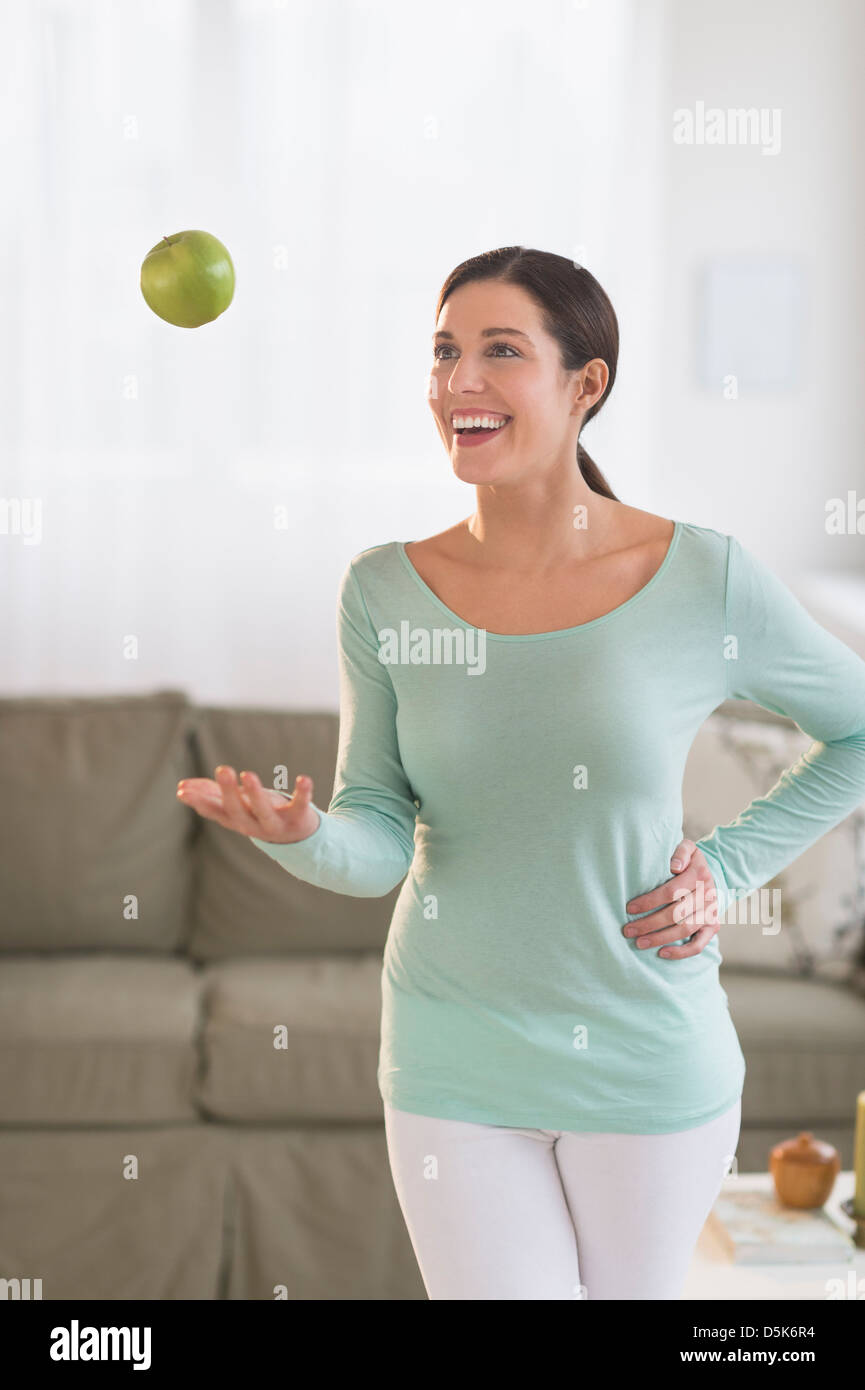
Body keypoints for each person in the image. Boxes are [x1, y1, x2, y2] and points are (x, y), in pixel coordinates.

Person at [177, 246, 865, 1300]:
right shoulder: (384, 592)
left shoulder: (700, 577)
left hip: (644, 1053)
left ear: (585, 382)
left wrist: (723, 870)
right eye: (445, 352)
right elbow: (373, 842)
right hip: (453, 1056)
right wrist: (304, 834)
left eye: (500, 351)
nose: (459, 382)